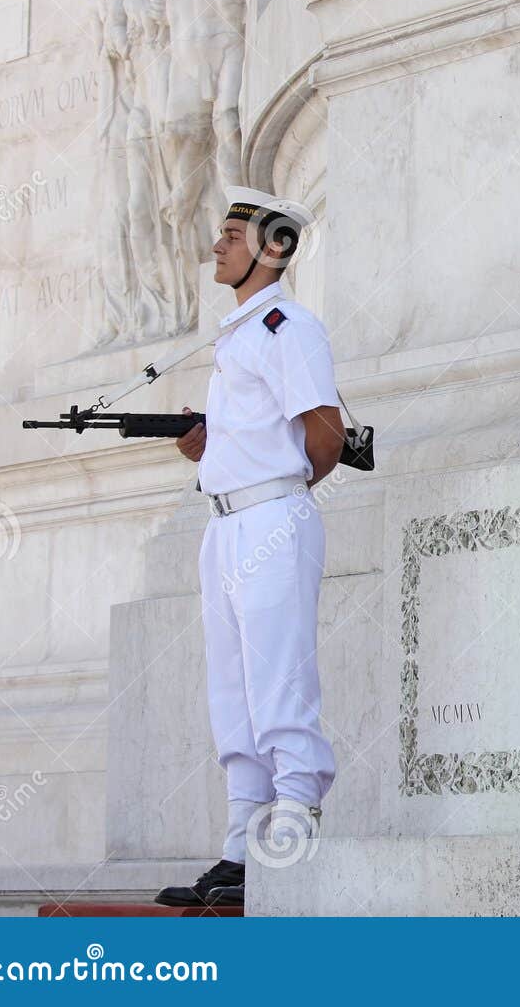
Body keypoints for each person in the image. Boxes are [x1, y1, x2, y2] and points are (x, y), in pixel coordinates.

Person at [156, 186, 344, 910]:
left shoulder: (285, 327)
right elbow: (253, 437)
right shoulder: (237, 335)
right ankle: (241, 847)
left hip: (271, 519)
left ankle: (292, 823)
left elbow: (322, 434)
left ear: (273, 248)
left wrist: (281, 490)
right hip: (224, 522)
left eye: (233, 234)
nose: (218, 244)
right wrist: (206, 450)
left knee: (278, 683)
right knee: (232, 692)